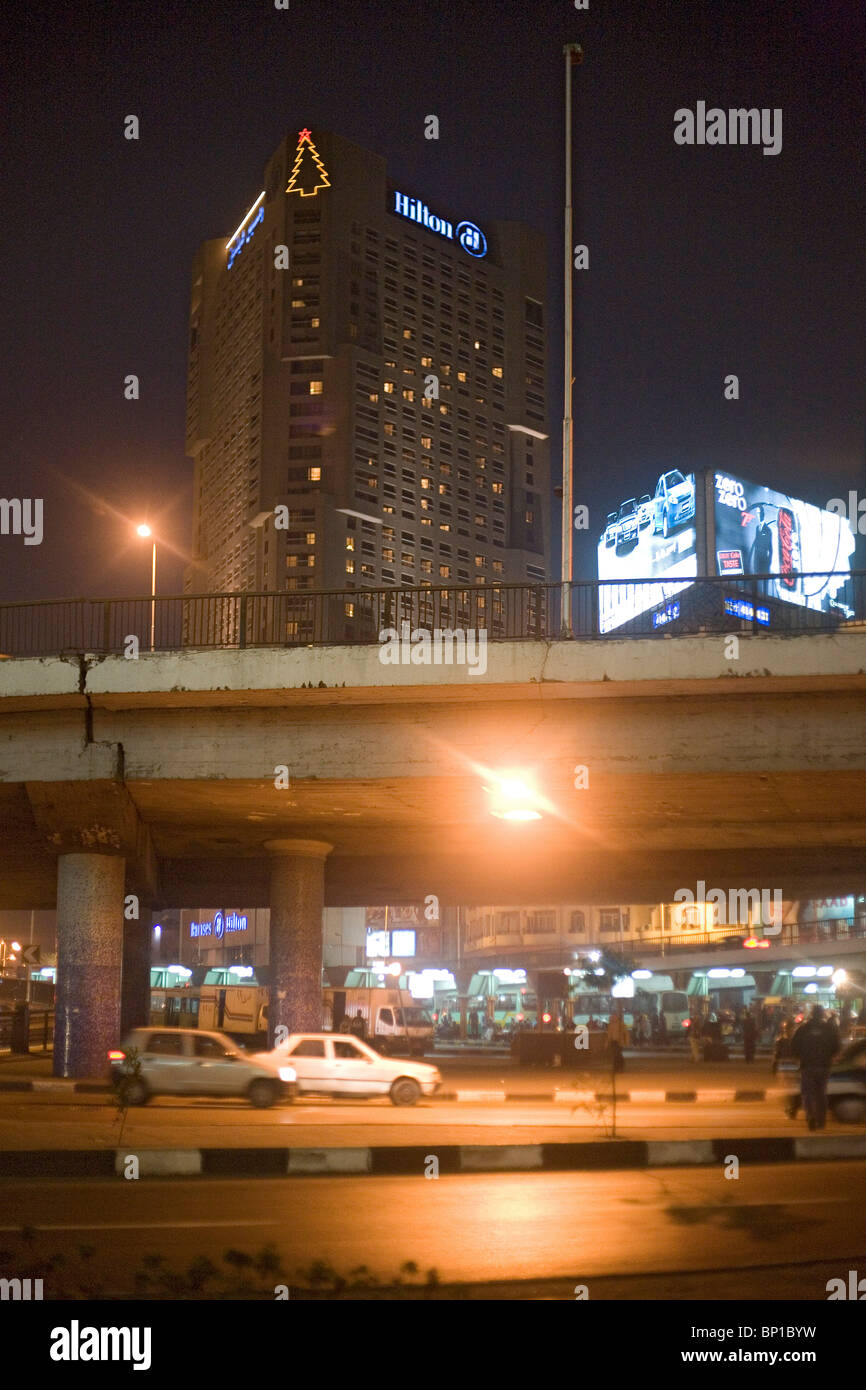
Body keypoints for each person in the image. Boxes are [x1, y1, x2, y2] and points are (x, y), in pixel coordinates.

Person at [790, 1004, 840, 1130]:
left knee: (808, 1093)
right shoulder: (829, 1029)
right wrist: (829, 1055)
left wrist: (799, 1057)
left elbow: (794, 1045)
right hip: (824, 1065)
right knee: (821, 1093)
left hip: (807, 1065)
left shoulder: (804, 1028)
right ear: (822, 1014)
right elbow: (837, 1046)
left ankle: (810, 1116)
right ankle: (821, 1120)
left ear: (812, 1014)